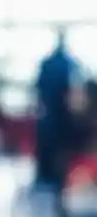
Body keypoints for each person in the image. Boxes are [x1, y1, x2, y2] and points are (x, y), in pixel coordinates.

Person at [35, 31, 78, 198]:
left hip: (52, 115)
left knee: (51, 147)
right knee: (58, 148)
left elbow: (39, 88)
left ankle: (48, 176)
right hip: (61, 115)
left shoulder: (48, 63)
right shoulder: (70, 63)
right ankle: (54, 177)